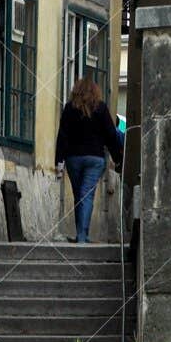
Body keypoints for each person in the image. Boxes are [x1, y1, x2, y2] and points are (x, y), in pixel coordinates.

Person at [55, 76, 124, 244]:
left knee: (80, 194)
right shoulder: (101, 108)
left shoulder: (69, 109)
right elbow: (111, 135)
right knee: (86, 195)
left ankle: (82, 234)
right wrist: (118, 158)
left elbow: (62, 136)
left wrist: (59, 160)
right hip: (95, 159)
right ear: (95, 92)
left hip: (73, 158)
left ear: (76, 91)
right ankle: (82, 236)